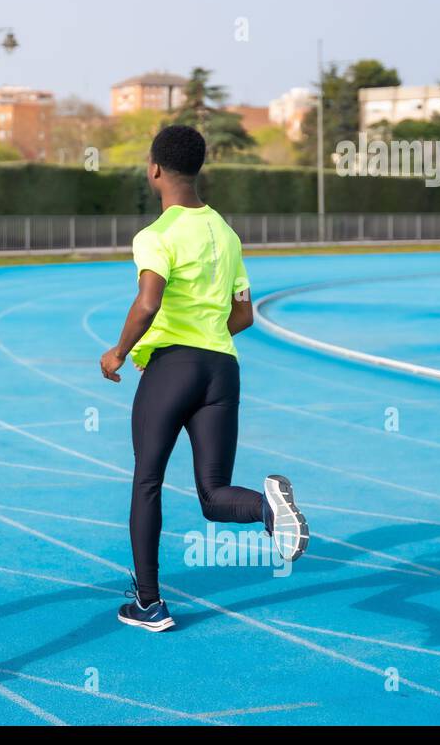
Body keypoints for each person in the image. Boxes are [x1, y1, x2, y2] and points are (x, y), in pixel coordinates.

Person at [98, 125, 308, 632]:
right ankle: (267, 509)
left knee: (147, 482)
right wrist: (203, 330)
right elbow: (244, 316)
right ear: (198, 168)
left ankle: (149, 603)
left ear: (154, 169)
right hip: (222, 369)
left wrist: (121, 352)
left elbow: (148, 301)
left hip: (174, 369)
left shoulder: (157, 236)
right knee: (213, 495)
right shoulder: (225, 233)